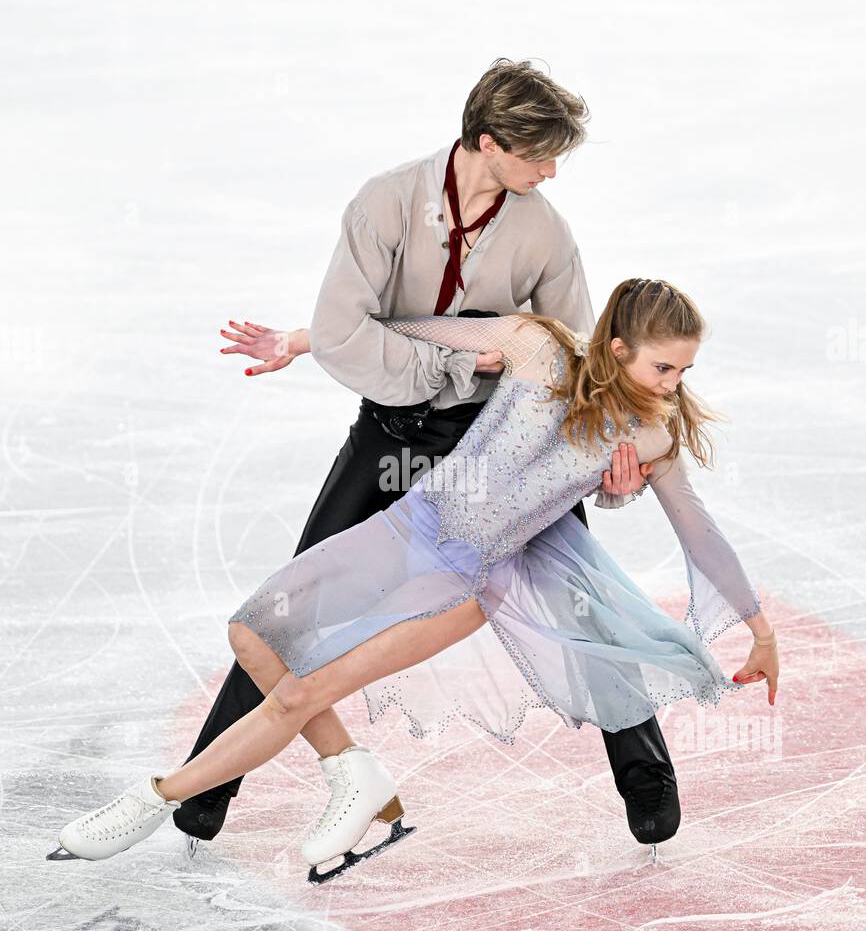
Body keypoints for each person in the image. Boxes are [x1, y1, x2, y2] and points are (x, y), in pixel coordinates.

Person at [48, 279, 779, 879]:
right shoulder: (536, 346)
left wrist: (759, 631)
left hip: (467, 578)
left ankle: (148, 801)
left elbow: (701, 534)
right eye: (663, 368)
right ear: (617, 347)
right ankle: (354, 774)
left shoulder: (648, 434)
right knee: (252, 633)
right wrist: (301, 342)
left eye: (684, 371)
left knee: (303, 690)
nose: (674, 386)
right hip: (408, 525)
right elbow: (408, 334)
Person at [169, 58, 683, 856]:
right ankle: (209, 782)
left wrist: (616, 468)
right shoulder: (386, 204)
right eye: (540, 155)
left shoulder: (544, 230)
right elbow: (346, 335)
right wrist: (439, 369)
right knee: (293, 606)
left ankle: (644, 773)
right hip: (396, 437)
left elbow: (584, 370)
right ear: (489, 143)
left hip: (505, 452)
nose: (550, 172)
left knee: (584, 602)